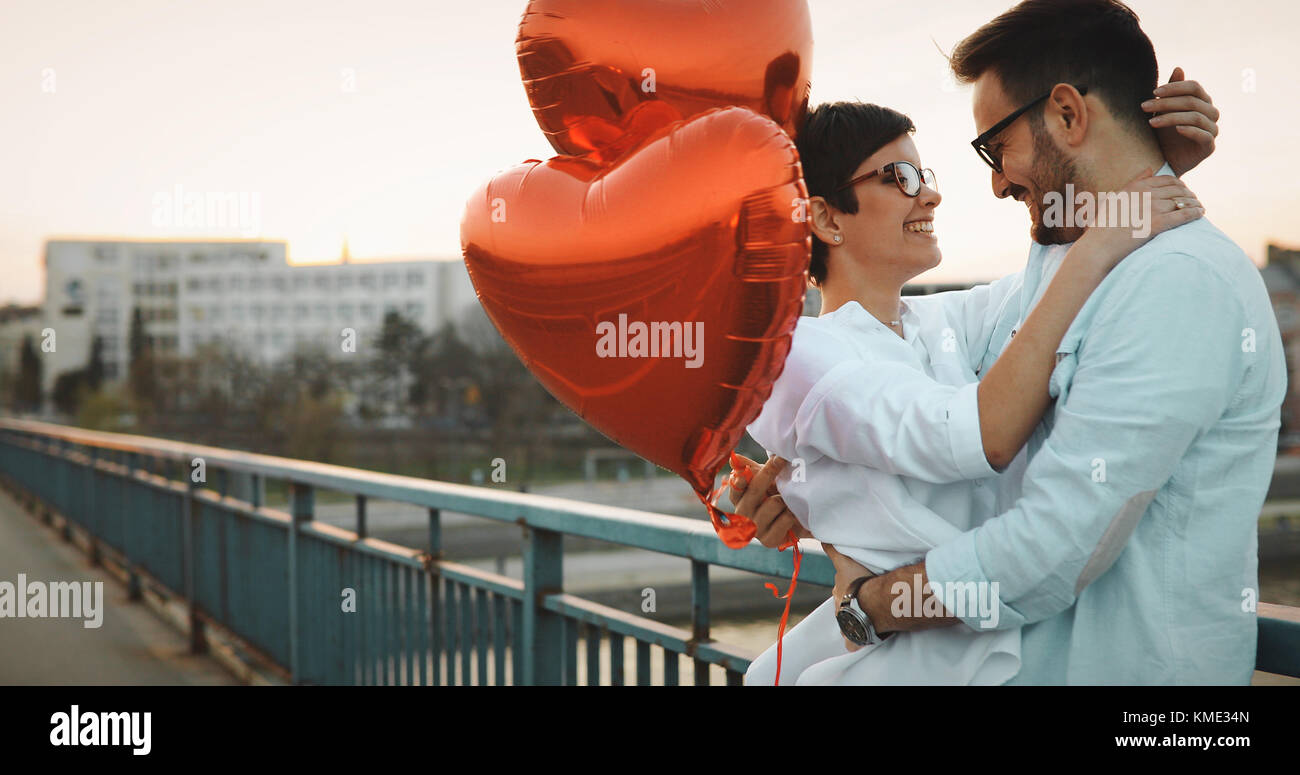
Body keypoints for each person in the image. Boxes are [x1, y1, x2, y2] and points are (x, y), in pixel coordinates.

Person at [732, 0, 1284, 685]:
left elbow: (1048, 550)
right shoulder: (1061, 271)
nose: (993, 183)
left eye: (995, 147)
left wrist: (870, 603)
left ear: (1067, 115)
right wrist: (817, 479)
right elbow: (894, 373)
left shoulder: (1180, 284)